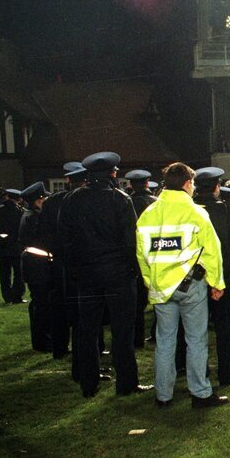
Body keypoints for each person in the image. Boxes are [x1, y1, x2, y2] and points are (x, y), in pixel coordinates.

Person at [136, 163, 229, 408]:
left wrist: (151, 283)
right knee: (196, 340)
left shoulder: (148, 214)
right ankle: (200, 393)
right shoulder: (196, 213)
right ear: (188, 184)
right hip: (191, 285)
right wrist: (217, 283)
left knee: (165, 342)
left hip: (161, 287)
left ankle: (163, 395)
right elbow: (212, 252)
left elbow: (141, 255)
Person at [58, 152, 150, 397]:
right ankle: (126, 383)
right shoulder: (120, 199)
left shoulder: (72, 200)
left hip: (87, 274)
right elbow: (131, 241)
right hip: (118, 274)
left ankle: (88, 383)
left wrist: (74, 270)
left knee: (87, 331)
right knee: (123, 331)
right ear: (111, 173)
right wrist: (134, 271)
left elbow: (65, 240)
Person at [192, 167, 230, 387]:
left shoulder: (189, 210)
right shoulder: (228, 211)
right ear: (216, 188)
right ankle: (227, 373)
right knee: (226, 328)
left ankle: (196, 372)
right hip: (225, 274)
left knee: (194, 331)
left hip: (195, 276)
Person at [39, 162, 88, 367]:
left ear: (68, 179)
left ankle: (59, 347)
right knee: (83, 309)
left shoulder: (52, 201)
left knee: (59, 305)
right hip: (81, 261)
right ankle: (86, 352)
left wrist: (56, 251)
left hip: (59, 260)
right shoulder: (84, 200)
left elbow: (44, 232)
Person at [18, 182, 53, 352]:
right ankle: (44, 341)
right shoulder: (34, 218)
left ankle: (41, 340)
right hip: (38, 265)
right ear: (38, 200)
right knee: (42, 304)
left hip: (33, 263)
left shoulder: (28, 215)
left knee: (38, 303)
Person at [126, 169, 158, 348]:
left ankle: (137, 338)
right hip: (157, 254)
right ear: (147, 183)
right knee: (160, 298)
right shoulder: (156, 203)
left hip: (135, 256)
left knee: (136, 302)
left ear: (131, 185)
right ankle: (156, 333)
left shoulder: (127, 202)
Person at [0, 188, 25, 304]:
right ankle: (17, 296)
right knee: (19, 273)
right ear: (19, 199)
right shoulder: (20, 212)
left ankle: (7, 296)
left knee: (4, 273)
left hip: (1, 246)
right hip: (16, 246)